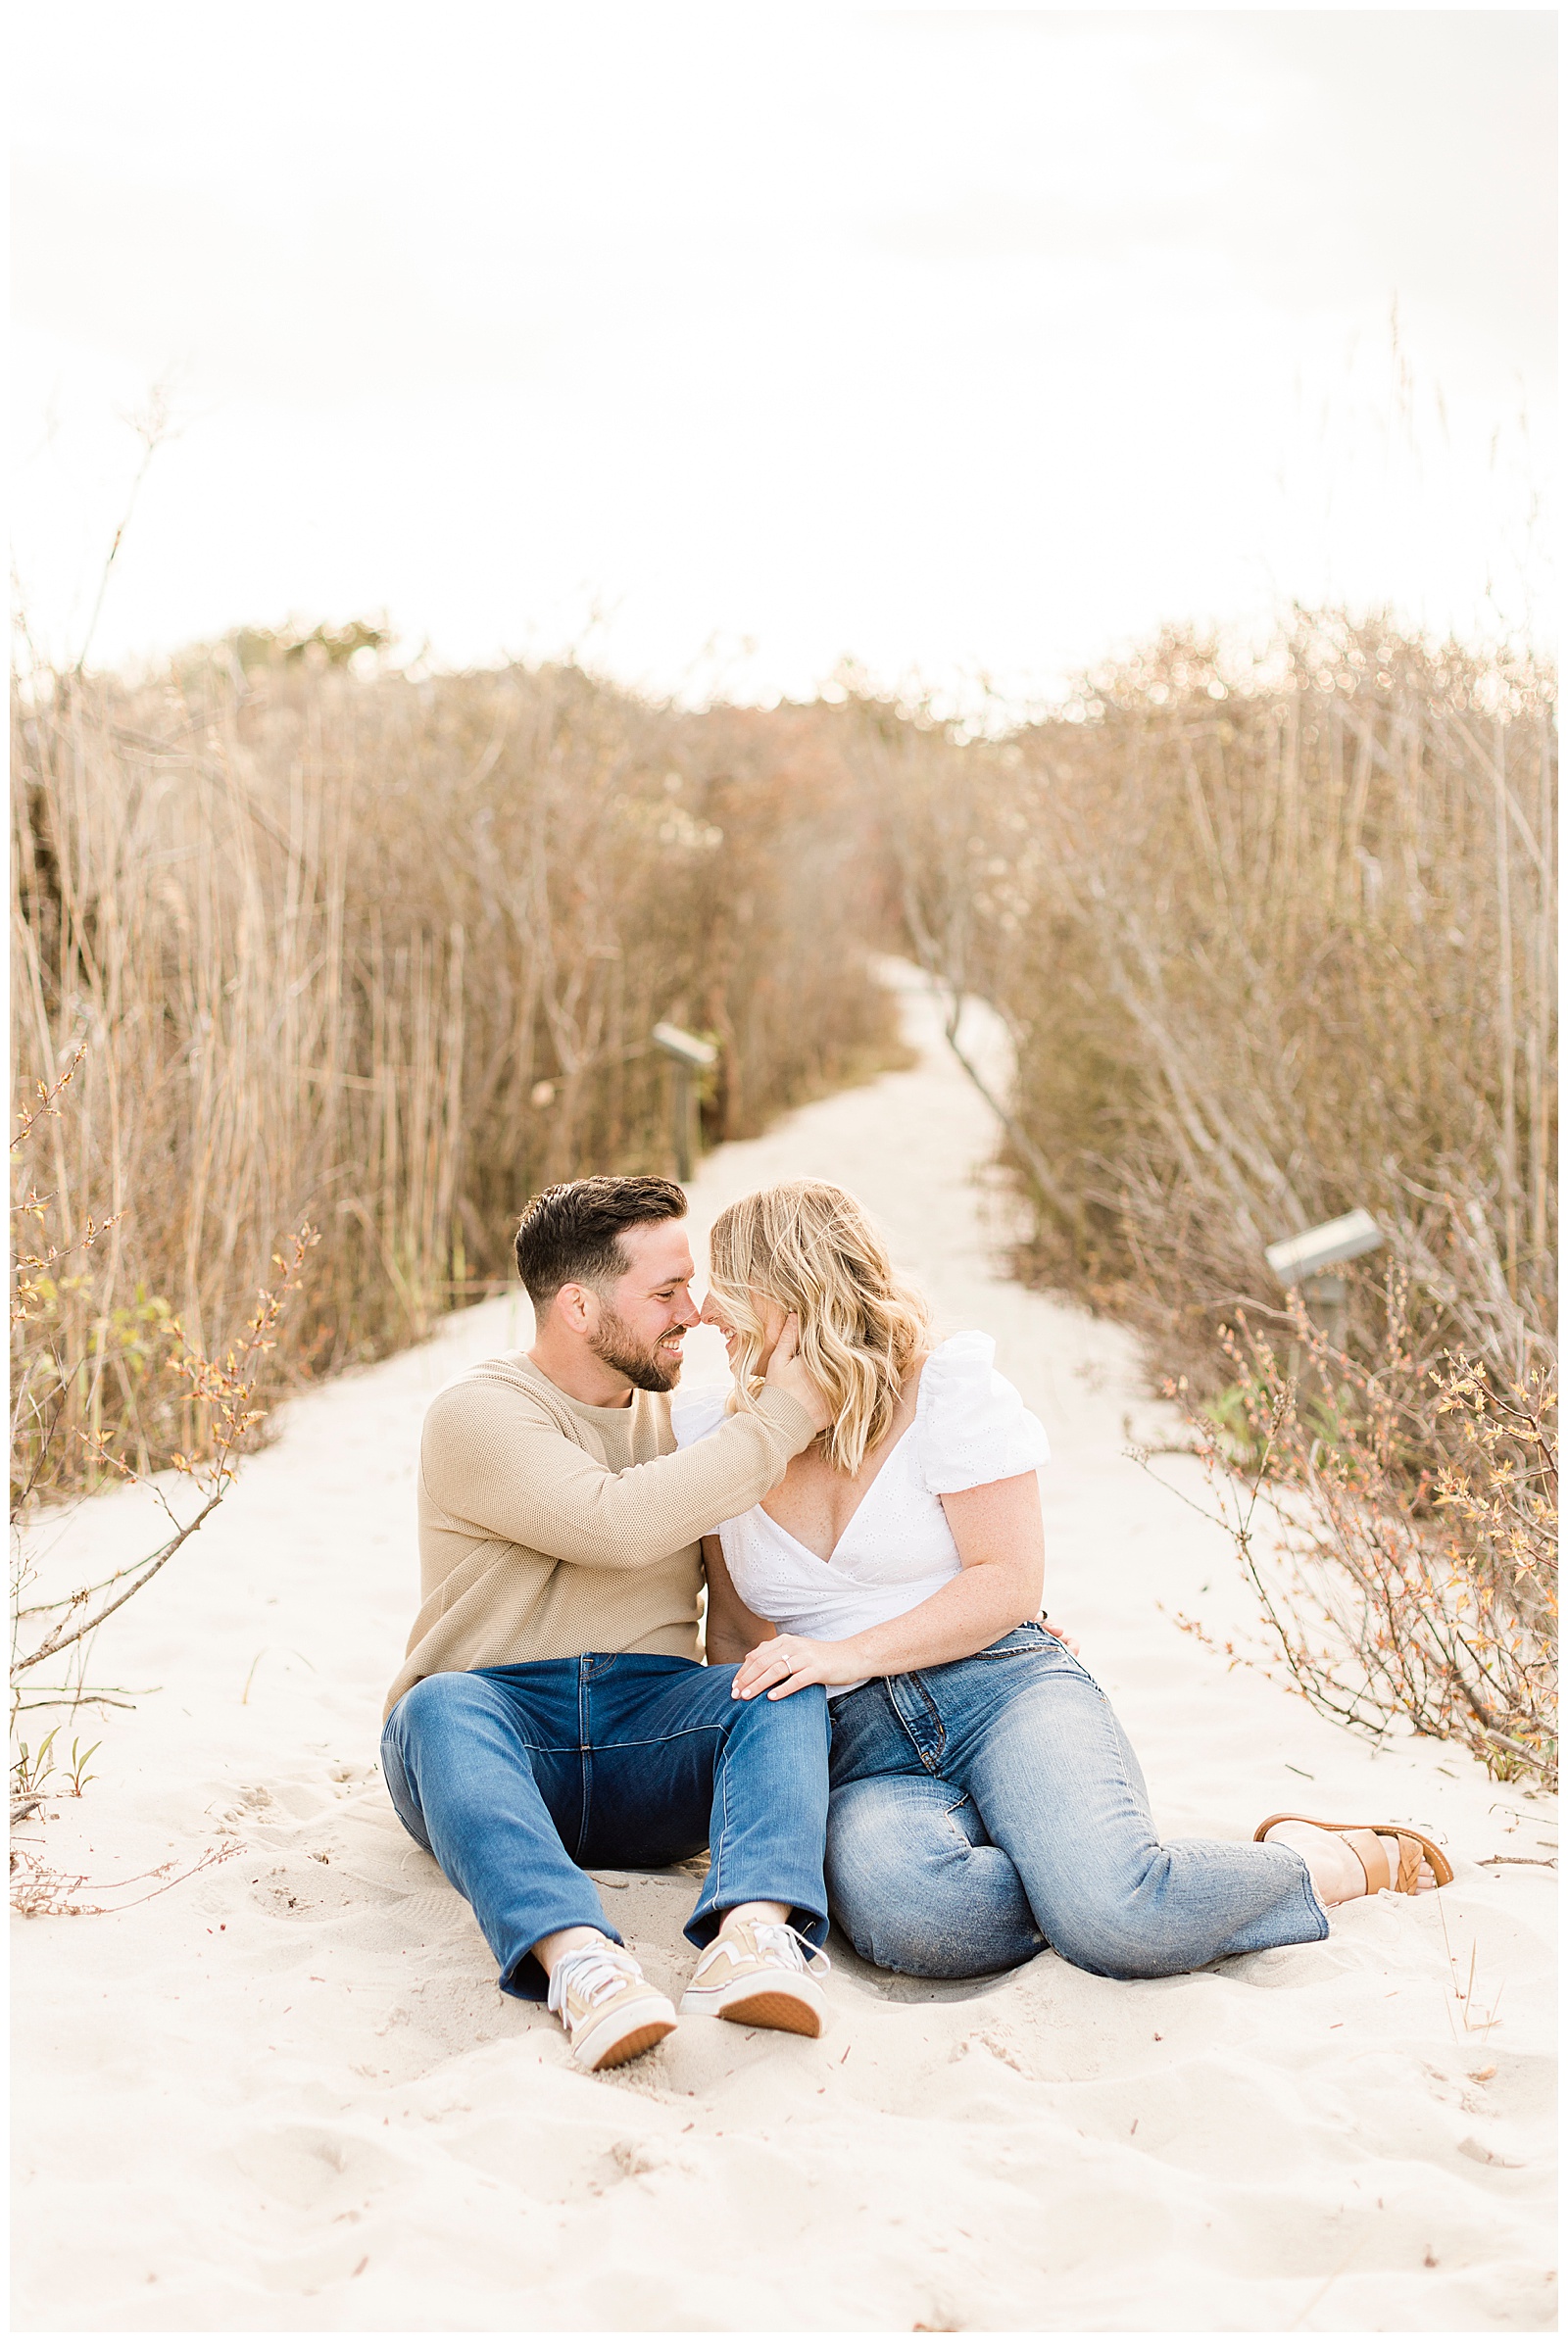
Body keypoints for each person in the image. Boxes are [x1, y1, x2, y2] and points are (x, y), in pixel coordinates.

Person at [676, 1179, 1452, 1986]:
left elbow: (1008, 1583)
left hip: (1001, 1690)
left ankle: (1312, 1861)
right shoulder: (718, 1436)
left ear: (785, 1290)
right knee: (917, 1919)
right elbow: (733, 1637)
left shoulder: (946, 1389)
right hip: (861, 1754)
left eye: (724, 1284)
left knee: (1120, 1920)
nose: (704, 1312)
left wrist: (849, 1653)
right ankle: (1075, 1865)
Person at [380, 1175, 837, 2074]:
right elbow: (617, 1524)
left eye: (691, 1287)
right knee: (435, 1708)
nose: (696, 1313)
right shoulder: (479, 1412)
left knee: (781, 1682)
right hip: (497, 1734)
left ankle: (752, 1937)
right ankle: (580, 1962)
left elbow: (768, 1598)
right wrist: (783, 1417)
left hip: (648, 1732)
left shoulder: (694, 1432)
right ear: (578, 1306)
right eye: (665, 1294)